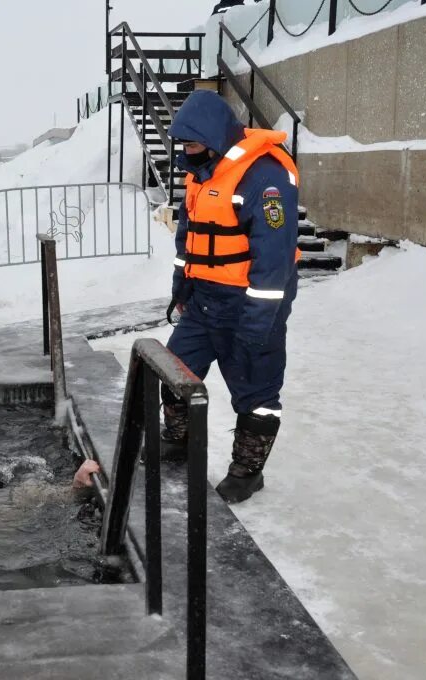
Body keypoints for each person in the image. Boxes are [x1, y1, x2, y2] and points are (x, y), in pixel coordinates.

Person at [163, 90, 300, 503]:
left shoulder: (265, 176)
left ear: (214, 135)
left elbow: (274, 260)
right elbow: (188, 240)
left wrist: (259, 323)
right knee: (174, 372)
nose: (186, 152)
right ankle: (179, 439)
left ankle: (247, 471)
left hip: (250, 304)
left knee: (256, 395)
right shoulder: (200, 172)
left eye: (192, 143)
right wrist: (181, 290)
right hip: (204, 301)